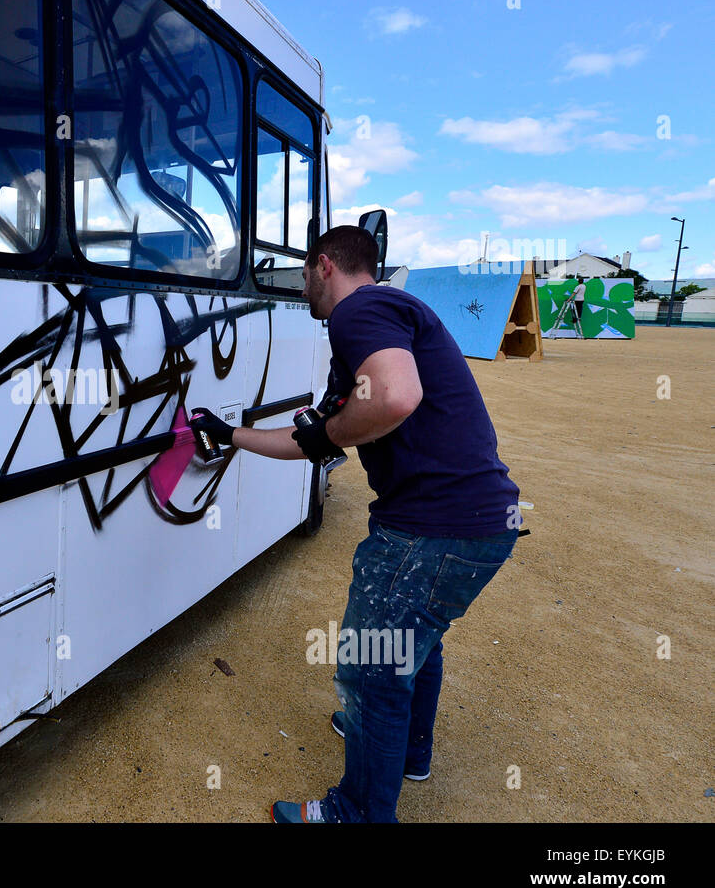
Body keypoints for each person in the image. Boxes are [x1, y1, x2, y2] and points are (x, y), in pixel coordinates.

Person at [192, 226, 521, 823]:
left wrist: (334, 433)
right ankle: (408, 753)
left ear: (323, 266)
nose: (302, 292)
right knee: (415, 643)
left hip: (431, 528)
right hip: (481, 525)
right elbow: (314, 437)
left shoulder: (359, 310)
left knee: (370, 671)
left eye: (303, 278)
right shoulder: (394, 314)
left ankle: (358, 813)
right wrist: (232, 436)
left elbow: (395, 398)